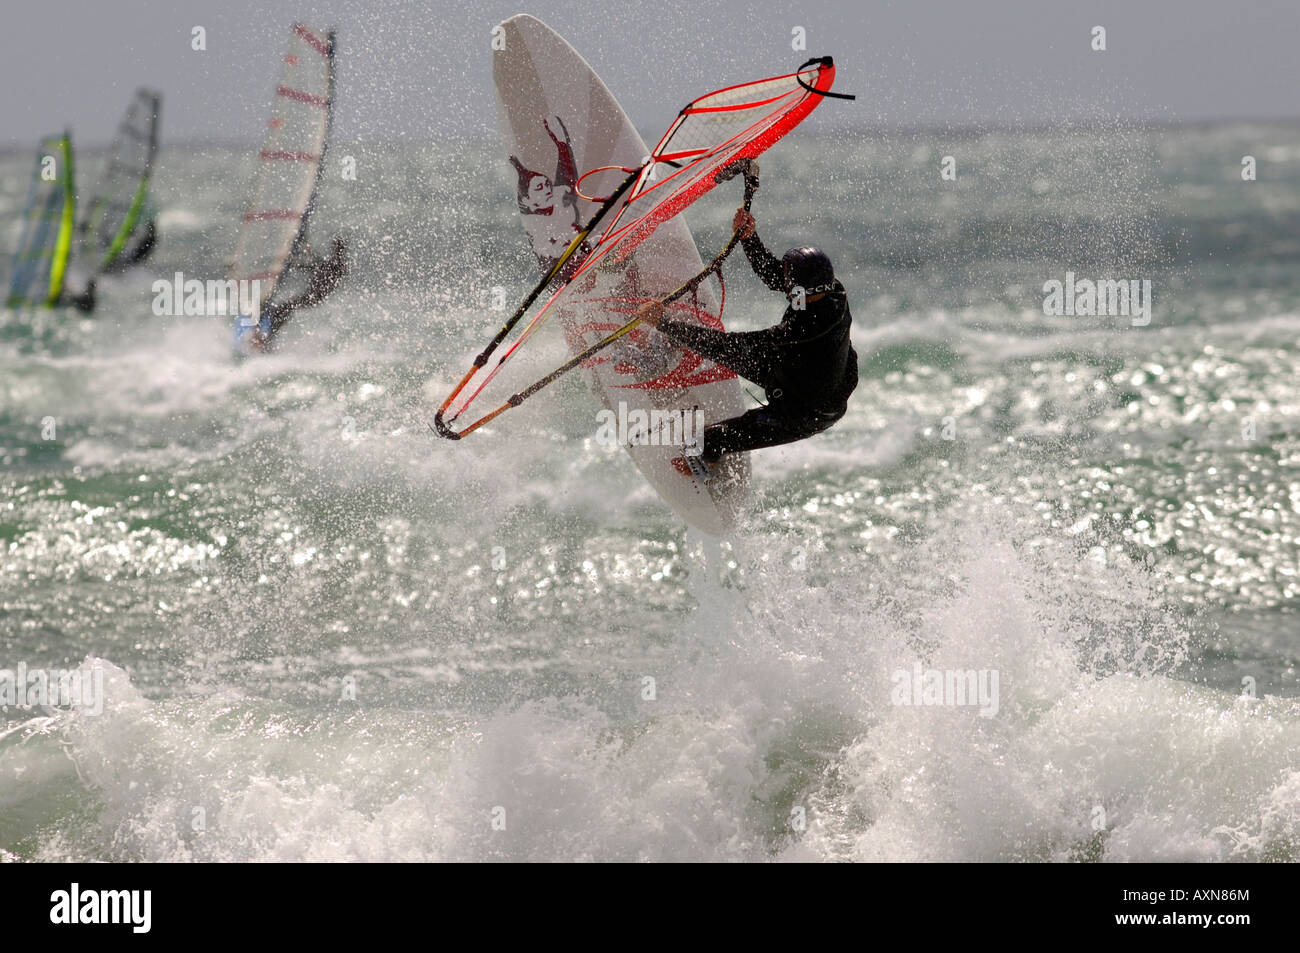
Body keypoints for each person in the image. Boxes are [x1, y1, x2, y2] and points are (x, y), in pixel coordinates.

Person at [635, 208, 858, 476]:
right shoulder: (830, 290)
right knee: (721, 350)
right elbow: (774, 275)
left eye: (789, 283)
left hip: (807, 412)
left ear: (799, 291)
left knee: (706, 442)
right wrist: (749, 238)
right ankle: (667, 348)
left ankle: (706, 464)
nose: (783, 284)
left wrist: (665, 323)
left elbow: (729, 346)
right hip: (795, 371)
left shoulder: (801, 330)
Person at [239, 234, 348, 352]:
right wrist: (300, 258)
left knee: (282, 309)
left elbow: (317, 267)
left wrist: (298, 260)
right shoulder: (333, 264)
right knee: (280, 309)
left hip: (314, 297)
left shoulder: (337, 266)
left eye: (335, 248)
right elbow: (314, 265)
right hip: (311, 295)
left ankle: (265, 341)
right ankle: (265, 339)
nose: (333, 250)